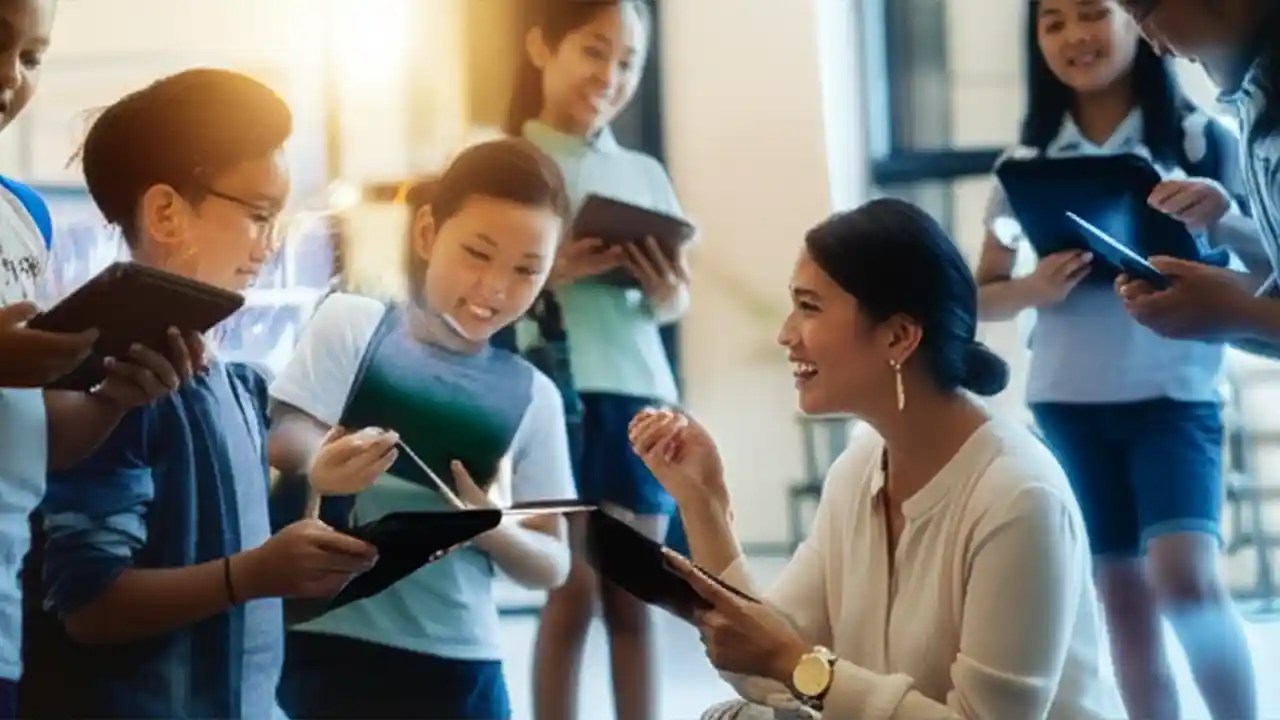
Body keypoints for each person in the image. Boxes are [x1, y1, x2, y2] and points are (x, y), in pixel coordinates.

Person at [628, 198, 1117, 719]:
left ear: (899, 335)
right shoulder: (860, 468)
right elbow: (762, 664)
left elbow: (792, 663)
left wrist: (795, 664)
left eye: (809, 307)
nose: (786, 334)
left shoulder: (1019, 498)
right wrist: (702, 503)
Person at [32, 69, 379, 719]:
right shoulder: (110, 386)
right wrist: (253, 575)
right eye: (257, 215)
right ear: (166, 211)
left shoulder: (241, 385)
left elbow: (256, 586)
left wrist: (315, 540)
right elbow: (88, 605)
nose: (270, 245)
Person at [974, 3, 1260, 718]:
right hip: (1068, 400)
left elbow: (1265, 262)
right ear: (1035, 42)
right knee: (1121, 598)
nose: (1076, 36)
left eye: (1095, 13)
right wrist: (1035, 288)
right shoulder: (1021, 169)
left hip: (1176, 392)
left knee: (1186, 580)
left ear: (1139, 21)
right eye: (1054, 22)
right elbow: (979, 297)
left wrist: (1218, 214)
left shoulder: (1204, 141)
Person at [268, 138, 576, 720]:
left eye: (526, 270)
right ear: (428, 234)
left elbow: (553, 564)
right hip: (327, 645)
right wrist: (324, 465)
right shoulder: (355, 322)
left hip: (461, 665)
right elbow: (286, 433)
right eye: (477, 254)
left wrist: (487, 527)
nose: (494, 288)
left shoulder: (534, 395)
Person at [0, 3, 213, 716]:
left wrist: (115, 397)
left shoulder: (24, 217)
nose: (9, 77)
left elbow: (38, 442)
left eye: (31, 58)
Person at [505, 2, 693, 717]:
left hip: (642, 392)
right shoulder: (513, 162)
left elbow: (672, 307)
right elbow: (473, 294)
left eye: (628, 61)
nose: (610, 75)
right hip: (551, 394)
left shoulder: (644, 171)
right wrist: (554, 272)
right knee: (569, 590)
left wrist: (669, 292)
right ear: (540, 48)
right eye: (594, 50)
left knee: (633, 597)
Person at [1113, 0, 1280, 360]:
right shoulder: (1254, 104)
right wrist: (1223, 299)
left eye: (1143, 17)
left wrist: (1238, 311)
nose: (1155, 45)